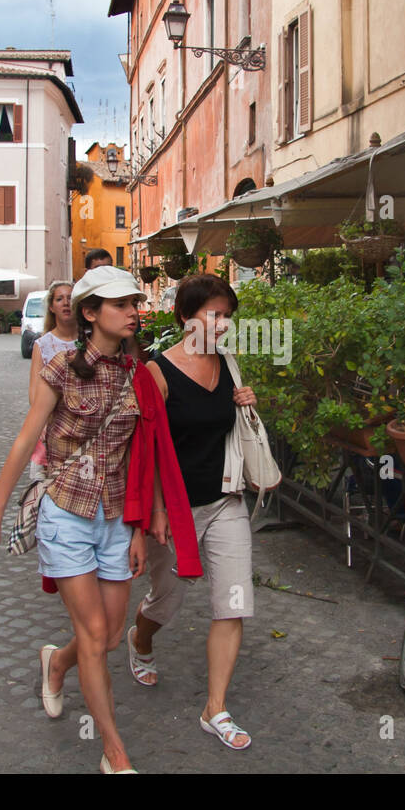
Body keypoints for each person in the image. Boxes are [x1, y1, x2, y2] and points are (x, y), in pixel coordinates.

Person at [0, 266, 202, 774]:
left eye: (135, 304)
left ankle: (56, 662)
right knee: (95, 632)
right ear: (91, 313)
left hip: (117, 519)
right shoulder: (60, 369)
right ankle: (114, 750)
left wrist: (144, 525)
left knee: (111, 632)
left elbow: (146, 451)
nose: (134, 313)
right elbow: (22, 441)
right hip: (65, 513)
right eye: (121, 305)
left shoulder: (138, 373)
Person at [127, 273, 261, 751]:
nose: (222, 324)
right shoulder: (156, 373)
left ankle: (215, 708)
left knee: (233, 601)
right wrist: (156, 511)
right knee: (167, 601)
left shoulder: (230, 365)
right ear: (185, 317)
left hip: (226, 499)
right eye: (213, 314)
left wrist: (244, 402)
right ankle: (140, 640)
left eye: (227, 315)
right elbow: (146, 451)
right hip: (176, 510)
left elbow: (231, 428)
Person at [28, 281, 78, 476]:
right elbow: (34, 394)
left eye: (70, 298)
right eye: (59, 299)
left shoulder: (90, 340)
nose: (66, 303)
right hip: (55, 423)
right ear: (51, 307)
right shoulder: (43, 344)